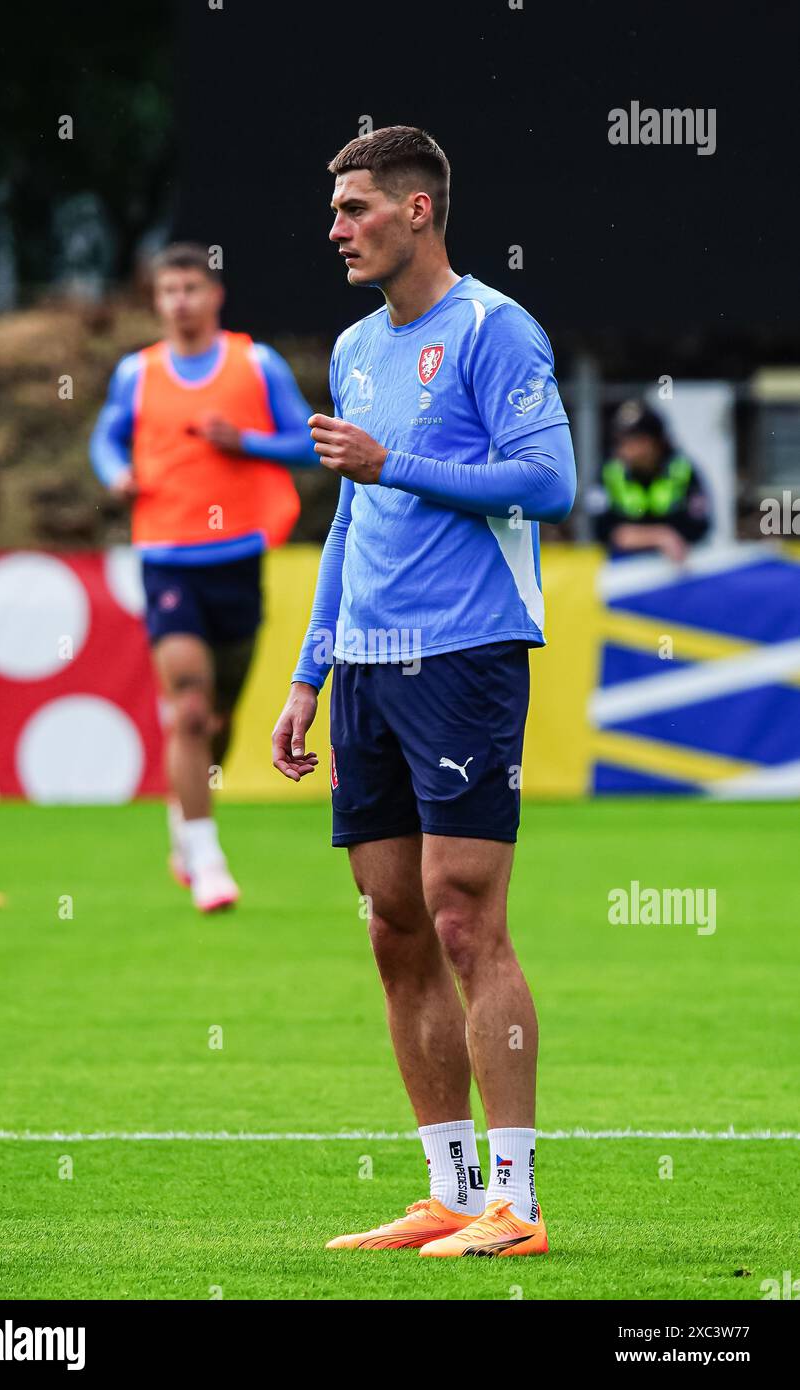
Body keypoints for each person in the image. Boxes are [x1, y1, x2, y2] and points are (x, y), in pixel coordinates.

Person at [272, 127, 576, 1256]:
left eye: (354, 208)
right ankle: (449, 1189)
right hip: (366, 666)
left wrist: (391, 463)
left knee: (461, 914)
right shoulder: (355, 347)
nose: (336, 229)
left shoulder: (495, 331)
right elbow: (352, 518)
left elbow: (548, 479)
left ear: (416, 210)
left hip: (464, 654)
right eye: (336, 210)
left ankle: (519, 1204)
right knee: (393, 924)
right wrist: (310, 668)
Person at [91, 243, 316, 912]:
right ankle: (210, 859)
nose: (180, 301)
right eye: (168, 291)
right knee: (187, 706)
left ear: (215, 294)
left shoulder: (255, 363)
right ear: (156, 301)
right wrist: (116, 474)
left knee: (218, 717)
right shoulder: (137, 372)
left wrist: (243, 442)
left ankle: (184, 816)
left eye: (191, 287)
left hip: (239, 557)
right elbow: (106, 438)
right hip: (167, 557)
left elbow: (307, 441)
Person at [591, 399, 711, 559]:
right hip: (621, 570)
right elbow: (601, 530)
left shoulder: (682, 469)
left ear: (655, 442)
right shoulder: (609, 472)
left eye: (634, 441)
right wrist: (660, 536)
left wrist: (635, 536)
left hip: (676, 570)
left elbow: (699, 526)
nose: (624, 449)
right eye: (621, 441)